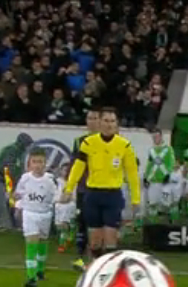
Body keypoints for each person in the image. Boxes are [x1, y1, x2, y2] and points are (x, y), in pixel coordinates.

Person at [61, 108, 141, 261]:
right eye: (106, 120)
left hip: (113, 195)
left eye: (112, 121)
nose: (109, 124)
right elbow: (78, 167)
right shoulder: (88, 143)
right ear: (100, 123)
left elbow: (132, 174)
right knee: (95, 240)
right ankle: (94, 268)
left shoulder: (124, 145)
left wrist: (135, 199)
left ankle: (110, 270)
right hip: (93, 195)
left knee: (111, 238)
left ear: (116, 124)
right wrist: (68, 189)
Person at [12, 149, 57, 287]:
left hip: (45, 214)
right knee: (32, 243)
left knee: (42, 243)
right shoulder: (25, 178)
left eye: (40, 162)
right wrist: (15, 199)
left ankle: (40, 270)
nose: (37, 165)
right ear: (29, 164)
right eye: (34, 162)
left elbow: (55, 196)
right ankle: (31, 278)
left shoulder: (49, 180)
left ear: (45, 164)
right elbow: (18, 194)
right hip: (30, 213)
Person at [70, 108, 101, 271]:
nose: (92, 121)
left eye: (95, 118)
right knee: (82, 222)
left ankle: (96, 260)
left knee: (97, 225)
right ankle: (80, 258)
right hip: (83, 189)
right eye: (89, 118)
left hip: (100, 188)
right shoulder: (79, 141)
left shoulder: (107, 140)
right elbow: (74, 164)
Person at [0, 132, 33, 231]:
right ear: (22, 143)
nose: (28, 147)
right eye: (27, 144)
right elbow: (8, 168)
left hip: (9, 178)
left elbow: (19, 167)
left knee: (11, 202)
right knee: (1, 200)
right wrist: (15, 183)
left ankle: (15, 225)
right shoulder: (11, 150)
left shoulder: (21, 152)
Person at [144, 129, 175, 222]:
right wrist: (146, 177)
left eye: (157, 136)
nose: (155, 139)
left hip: (165, 182)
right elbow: (149, 164)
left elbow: (171, 162)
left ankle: (170, 224)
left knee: (166, 205)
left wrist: (168, 174)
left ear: (161, 136)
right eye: (154, 137)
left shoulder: (168, 149)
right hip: (153, 181)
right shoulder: (151, 150)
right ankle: (154, 224)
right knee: (152, 204)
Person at [54, 164, 77, 253]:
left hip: (70, 205)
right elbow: (54, 195)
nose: (66, 172)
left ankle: (62, 245)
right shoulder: (57, 182)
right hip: (59, 205)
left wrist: (69, 198)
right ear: (61, 171)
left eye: (68, 170)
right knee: (60, 226)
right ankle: (70, 233)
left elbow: (74, 196)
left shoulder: (74, 182)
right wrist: (60, 199)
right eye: (64, 170)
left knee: (65, 224)